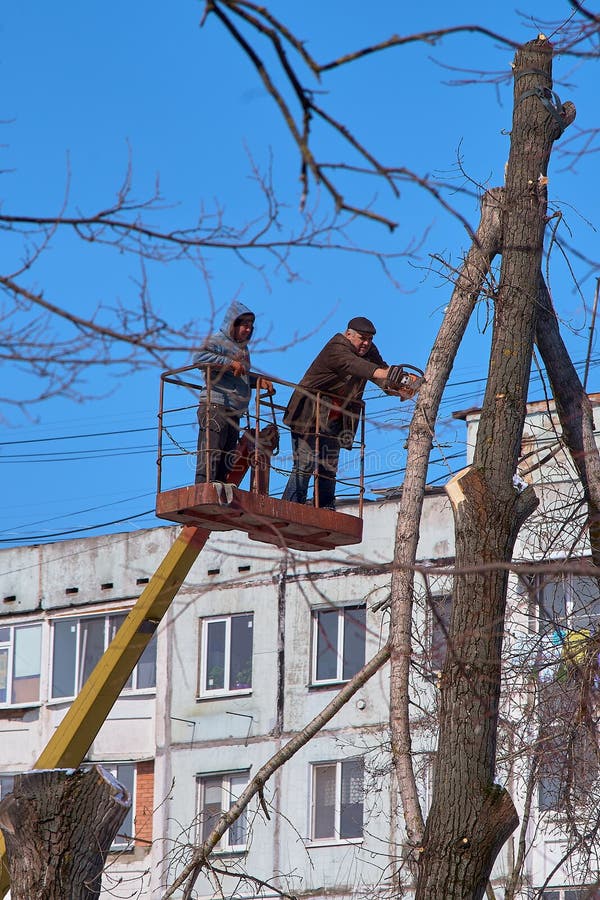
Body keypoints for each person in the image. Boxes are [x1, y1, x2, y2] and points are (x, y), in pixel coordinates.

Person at [281, 316, 414, 509]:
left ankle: (325, 507)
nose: (366, 343)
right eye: (362, 338)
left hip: (334, 419)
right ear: (349, 334)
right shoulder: (337, 347)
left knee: (328, 467)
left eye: (370, 339)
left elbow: (380, 373)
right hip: (309, 415)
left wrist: (399, 387)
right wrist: (389, 374)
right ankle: (291, 506)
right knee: (305, 464)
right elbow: (361, 367)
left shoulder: (369, 351)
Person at [193, 300, 272, 484]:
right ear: (233, 324)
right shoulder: (217, 340)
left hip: (234, 410)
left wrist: (258, 381)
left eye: (251, 326)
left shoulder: (243, 349)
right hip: (216, 405)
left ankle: (220, 486)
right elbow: (199, 358)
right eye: (245, 325)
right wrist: (229, 363)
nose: (248, 329)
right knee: (211, 451)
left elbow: (240, 376)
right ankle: (204, 487)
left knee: (228, 454)